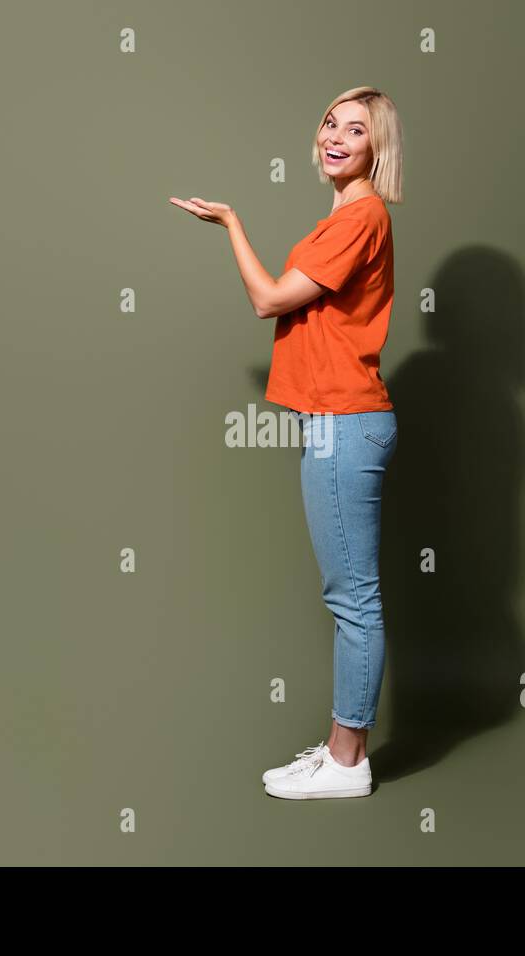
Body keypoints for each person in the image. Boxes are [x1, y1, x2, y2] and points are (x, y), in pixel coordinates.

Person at [170, 87, 403, 799]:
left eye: (355, 130)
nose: (336, 136)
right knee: (350, 596)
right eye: (331, 122)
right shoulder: (348, 216)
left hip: (343, 421)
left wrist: (232, 222)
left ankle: (348, 763)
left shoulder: (359, 217)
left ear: (376, 149)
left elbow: (269, 299)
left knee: (353, 600)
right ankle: (341, 749)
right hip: (338, 420)